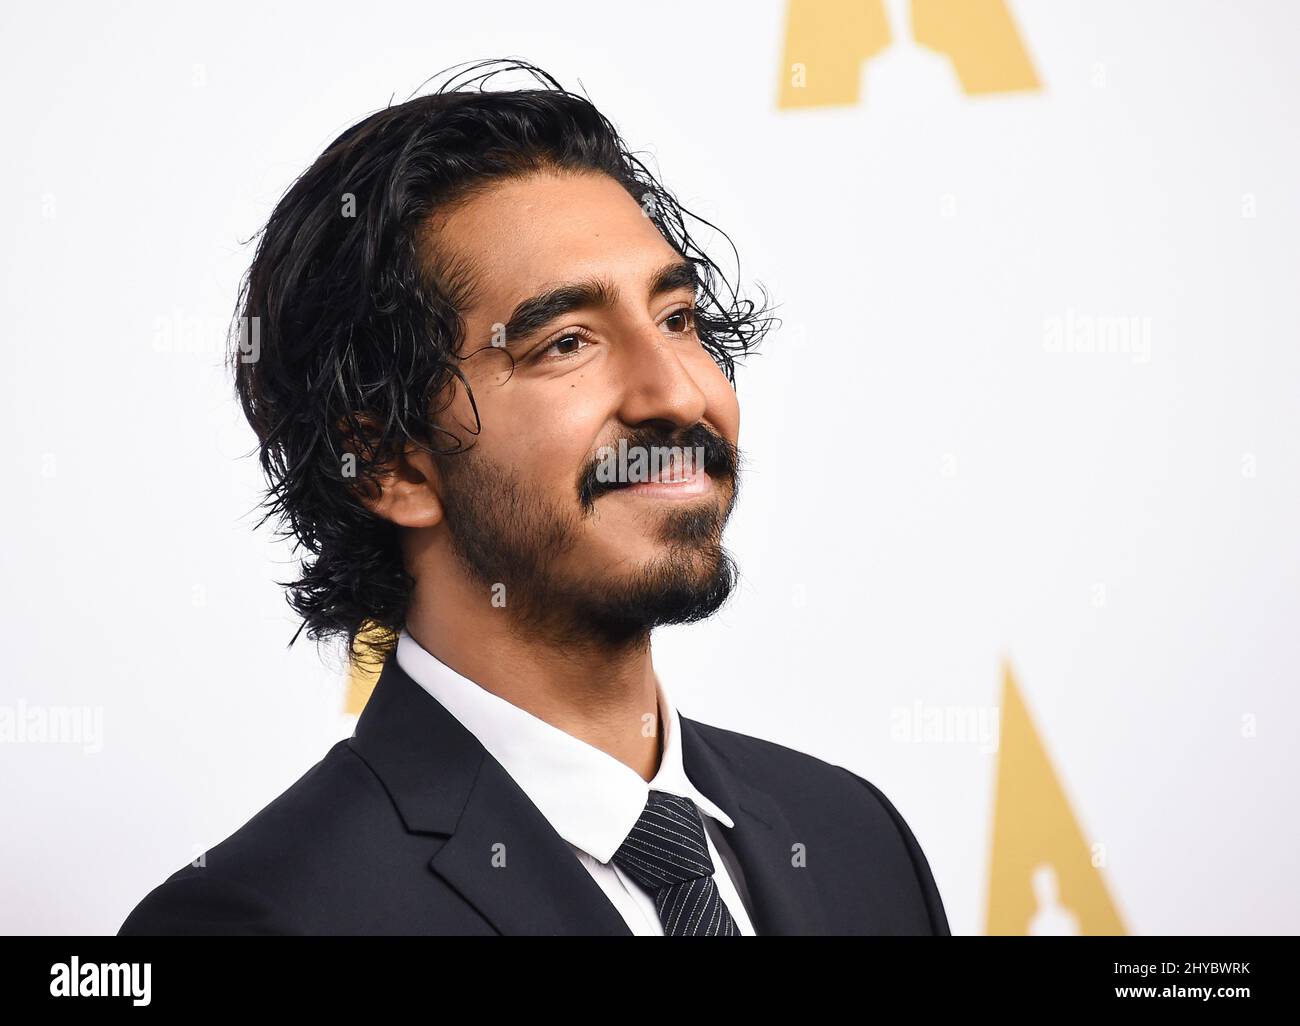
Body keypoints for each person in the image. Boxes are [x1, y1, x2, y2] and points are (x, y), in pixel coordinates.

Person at [118, 57, 950, 936]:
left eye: (678, 319)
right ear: (388, 462)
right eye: (566, 343)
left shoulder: (855, 836)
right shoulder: (266, 918)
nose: (676, 393)